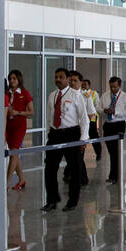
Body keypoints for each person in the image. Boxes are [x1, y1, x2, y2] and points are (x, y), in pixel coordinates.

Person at [42, 68, 89, 211]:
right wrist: (48, 134)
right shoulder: (52, 95)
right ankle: (52, 200)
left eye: (61, 77)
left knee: (75, 169)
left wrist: (83, 139)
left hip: (71, 133)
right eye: (56, 77)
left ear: (68, 79)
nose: (58, 79)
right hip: (55, 134)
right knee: (50, 168)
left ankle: (72, 201)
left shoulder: (76, 95)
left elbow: (84, 119)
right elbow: (50, 117)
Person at [4, 69, 34, 191]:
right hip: (9, 125)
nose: (12, 81)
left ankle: (6, 182)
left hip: (19, 126)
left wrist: (19, 112)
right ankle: (21, 179)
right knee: (13, 153)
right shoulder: (7, 94)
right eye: (10, 78)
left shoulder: (25, 93)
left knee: (14, 153)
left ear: (19, 80)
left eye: (14, 78)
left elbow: (32, 112)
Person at [101, 76, 126, 183]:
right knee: (111, 151)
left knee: (116, 151)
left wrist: (115, 112)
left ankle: (115, 176)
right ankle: (113, 175)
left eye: (115, 87)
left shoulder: (125, 97)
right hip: (108, 125)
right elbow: (97, 108)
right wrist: (104, 111)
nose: (113, 89)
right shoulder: (105, 96)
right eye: (111, 87)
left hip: (119, 125)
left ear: (119, 86)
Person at [82, 79, 103, 164]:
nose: (83, 86)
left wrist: (90, 113)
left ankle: (98, 153)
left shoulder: (94, 93)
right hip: (83, 119)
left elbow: (97, 105)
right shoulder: (80, 93)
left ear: (89, 86)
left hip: (92, 118)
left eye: (85, 84)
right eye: (82, 84)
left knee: (93, 135)